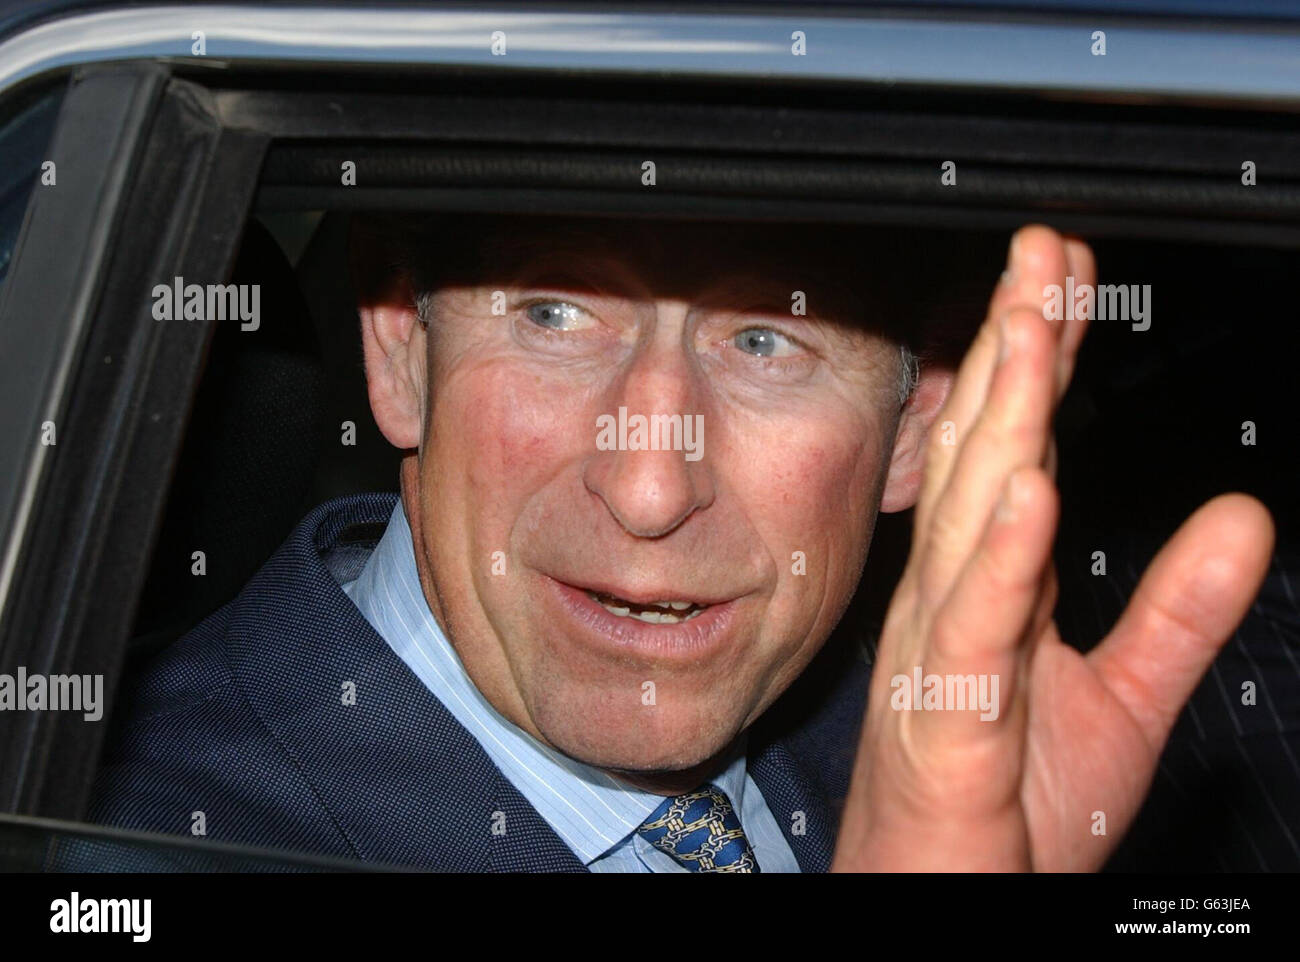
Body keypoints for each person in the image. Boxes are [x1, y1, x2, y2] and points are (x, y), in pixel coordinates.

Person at [77, 214, 1274, 872]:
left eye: (764, 342)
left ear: (917, 421)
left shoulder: (931, 740)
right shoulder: (116, 839)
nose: (649, 487)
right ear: (400, 348)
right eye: (553, 314)